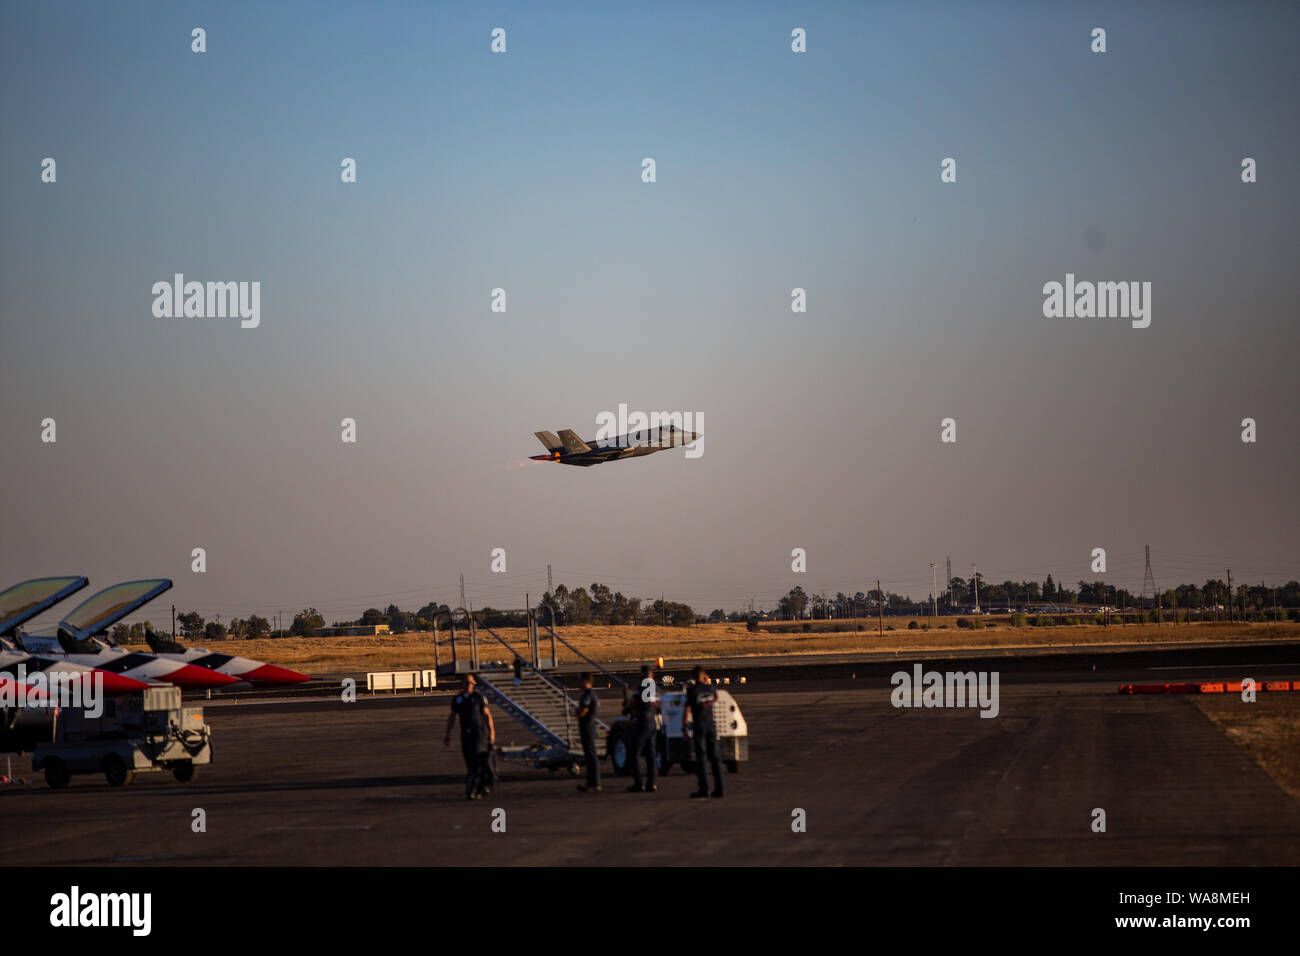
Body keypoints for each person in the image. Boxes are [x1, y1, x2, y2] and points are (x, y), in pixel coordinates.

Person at [443, 673, 495, 800]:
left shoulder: (478, 697)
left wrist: (491, 732)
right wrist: (448, 734)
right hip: (466, 734)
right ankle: (481, 787)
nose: (469, 685)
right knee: (468, 761)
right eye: (466, 683)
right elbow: (452, 717)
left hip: (479, 734)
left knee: (475, 761)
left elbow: (487, 715)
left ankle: (472, 789)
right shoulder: (458, 699)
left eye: (471, 683)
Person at [684, 665, 724, 799]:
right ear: (705, 676)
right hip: (710, 725)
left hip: (699, 725)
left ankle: (704, 788)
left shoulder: (692, 690)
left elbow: (687, 708)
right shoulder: (711, 688)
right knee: (715, 758)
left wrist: (684, 725)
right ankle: (720, 788)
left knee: (701, 758)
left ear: (693, 677)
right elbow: (716, 698)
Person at [622, 664, 659, 792]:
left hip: (643, 722)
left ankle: (639, 783)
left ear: (643, 674)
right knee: (651, 754)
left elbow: (634, 702)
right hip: (653, 722)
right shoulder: (656, 688)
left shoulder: (643, 686)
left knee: (634, 753)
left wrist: (627, 706)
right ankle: (652, 783)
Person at [575, 673, 601, 792]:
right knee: (589, 755)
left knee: (591, 755)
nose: (579, 683)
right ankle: (591, 782)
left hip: (588, 726)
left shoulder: (588, 694)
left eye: (580, 681)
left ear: (586, 681)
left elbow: (584, 709)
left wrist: (576, 714)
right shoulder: (590, 694)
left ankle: (594, 783)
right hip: (588, 726)